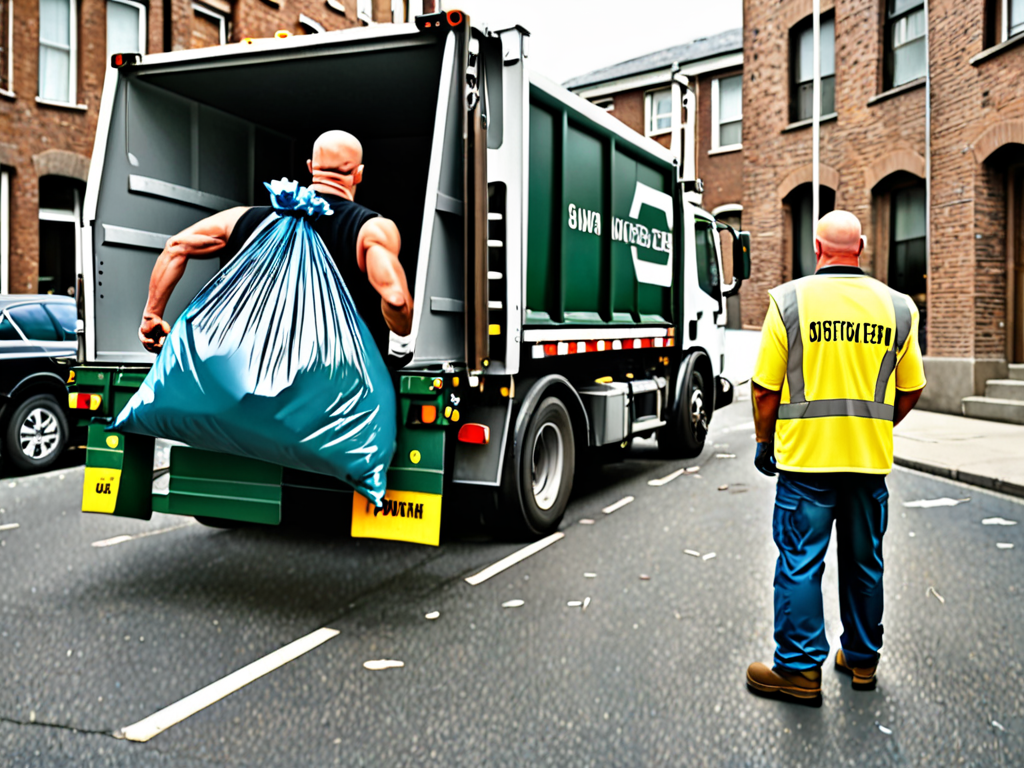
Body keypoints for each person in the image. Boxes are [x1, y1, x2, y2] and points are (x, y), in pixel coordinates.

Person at [745, 210, 926, 702]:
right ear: (862, 247)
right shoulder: (899, 307)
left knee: (802, 562)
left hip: (806, 463)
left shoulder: (789, 302)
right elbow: (911, 389)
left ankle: (800, 672)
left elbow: (765, 389)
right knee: (865, 562)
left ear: (817, 248)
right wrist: (874, 427)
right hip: (867, 462)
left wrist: (766, 442)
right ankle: (862, 661)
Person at [138, 130, 413, 357]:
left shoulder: (241, 219)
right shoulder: (370, 230)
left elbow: (176, 247)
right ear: (359, 173)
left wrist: (152, 315)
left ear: (310, 167)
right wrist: (401, 344)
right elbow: (396, 299)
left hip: (253, 375)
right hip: (336, 383)